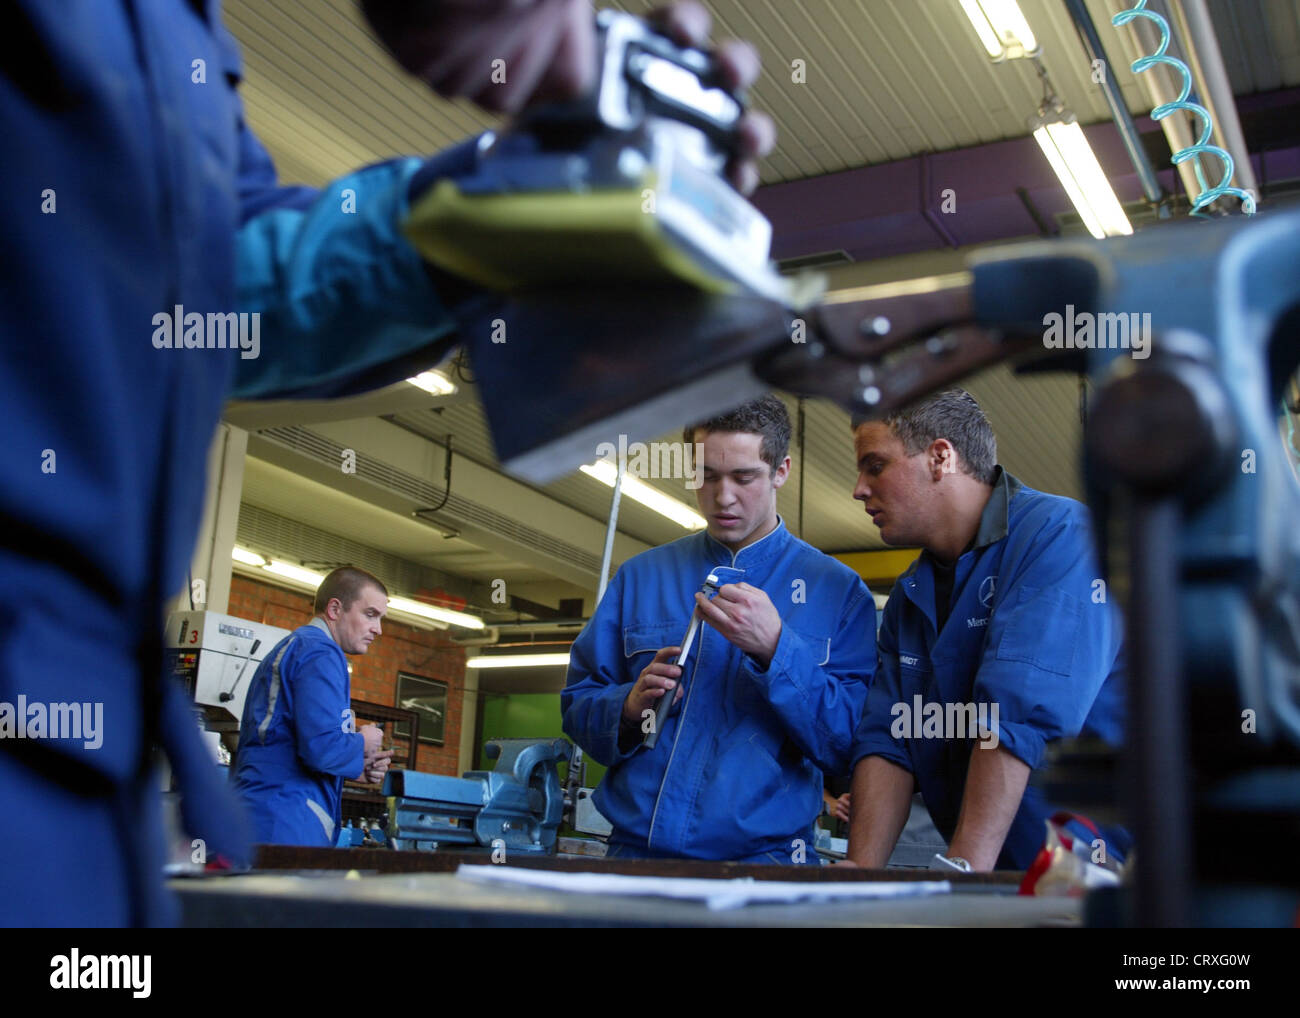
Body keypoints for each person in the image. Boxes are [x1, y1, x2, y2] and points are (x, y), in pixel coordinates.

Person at [1, 0, 772, 924]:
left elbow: (223, 282)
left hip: (73, 743)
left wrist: (499, 213)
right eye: (370, 612)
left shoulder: (177, 31)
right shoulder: (315, 654)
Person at [562, 396, 877, 863]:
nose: (723, 496)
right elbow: (577, 705)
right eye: (706, 475)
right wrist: (626, 709)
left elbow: (848, 743)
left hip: (767, 871)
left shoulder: (839, 593)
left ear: (781, 471)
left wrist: (777, 650)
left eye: (743, 477)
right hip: (636, 862)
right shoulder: (640, 578)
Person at [844, 389, 1129, 871]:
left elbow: (1017, 715)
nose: (858, 489)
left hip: (1087, 872)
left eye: (875, 466)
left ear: (940, 458)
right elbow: (889, 740)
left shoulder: (1060, 536)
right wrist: (859, 874)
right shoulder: (910, 595)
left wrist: (964, 873)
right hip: (991, 873)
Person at [231, 567, 394, 846]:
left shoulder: (296, 646)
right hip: (285, 820)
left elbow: (294, 741)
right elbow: (321, 748)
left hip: (262, 813)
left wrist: (356, 767)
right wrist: (362, 741)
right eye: (370, 614)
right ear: (334, 609)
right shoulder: (321, 653)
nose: (378, 629)